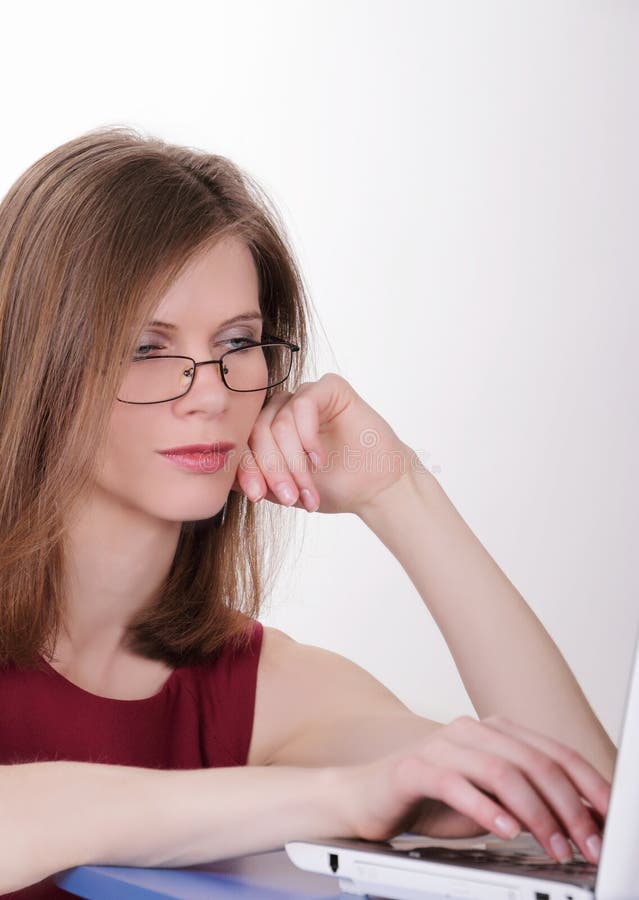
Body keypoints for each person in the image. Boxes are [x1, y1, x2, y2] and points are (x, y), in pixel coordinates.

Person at [0, 126, 616, 896]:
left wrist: (399, 492)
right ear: (34, 363)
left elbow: (590, 822)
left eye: (238, 342)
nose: (211, 392)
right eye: (146, 348)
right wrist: (337, 797)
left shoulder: (261, 684)